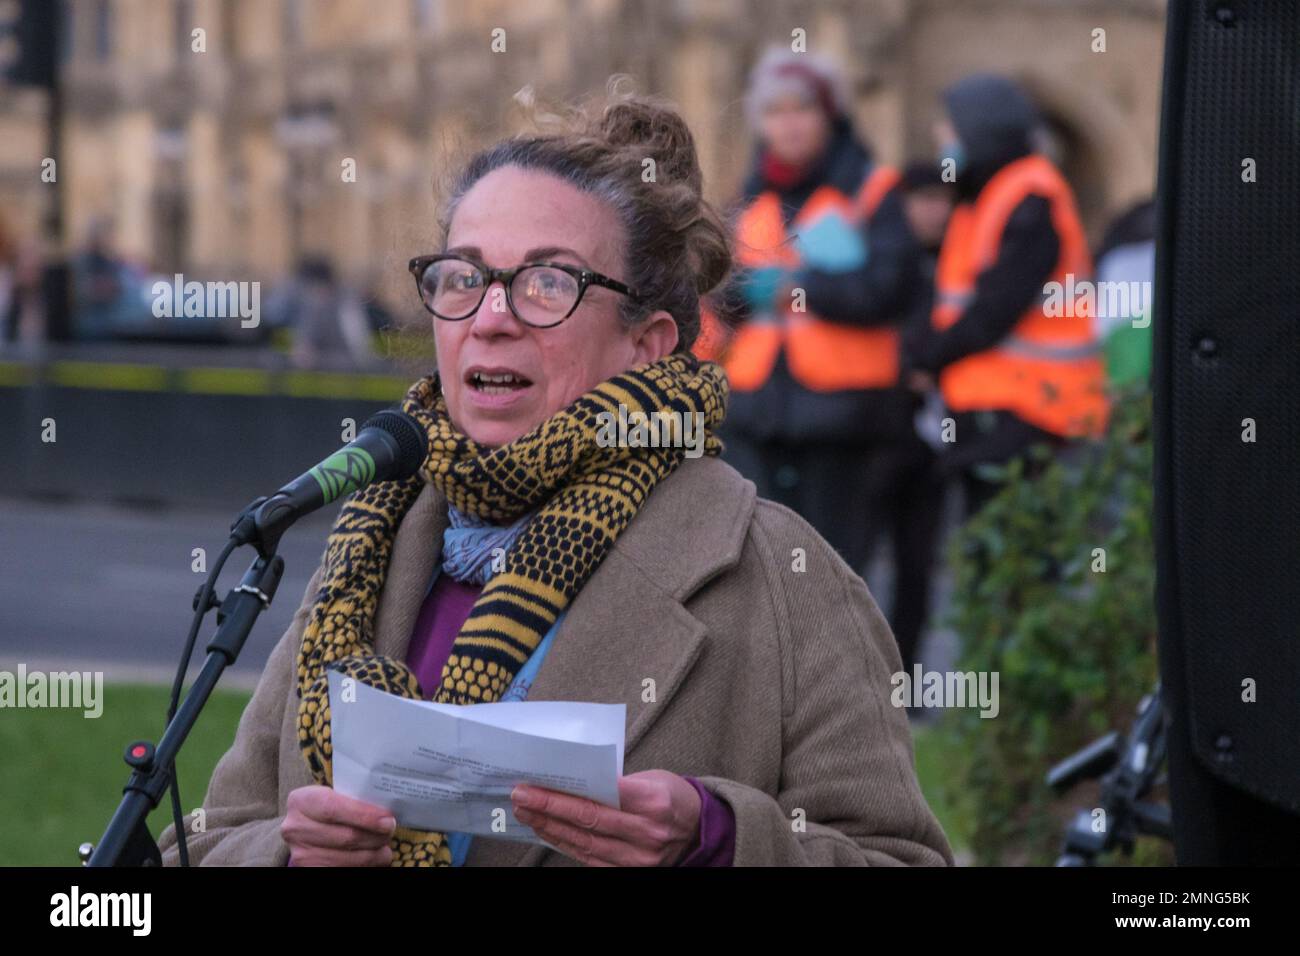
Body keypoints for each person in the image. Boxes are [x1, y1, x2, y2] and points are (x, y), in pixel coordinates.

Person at [155, 86, 953, 868]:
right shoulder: (365, 555)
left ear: (648, 343)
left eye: (548, 283)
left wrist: (712, 840)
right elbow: (210, 836)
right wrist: (292, 856)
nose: (491, 316)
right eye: (463, 277)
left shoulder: (782, 577)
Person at [717, 47, 929, 586]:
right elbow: (722, 295)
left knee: (835, 582)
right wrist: (741, 290)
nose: (787, 125)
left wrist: (799, 288)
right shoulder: (752, 198)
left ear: (829, 115)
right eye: (774, 112)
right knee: (765, 581)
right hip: (760, 415)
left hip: (846, 418)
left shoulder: (872, 191)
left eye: (800, 109)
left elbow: (892, 288)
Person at [904, 74, 1109, 517]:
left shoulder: (1029, 195)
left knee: (1014, 563)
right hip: (996, 411)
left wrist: (926, 358)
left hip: (1030, 412)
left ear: (982, 132)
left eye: (951, 129)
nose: (942, 139)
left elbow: (995, 309)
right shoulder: (985, 194)